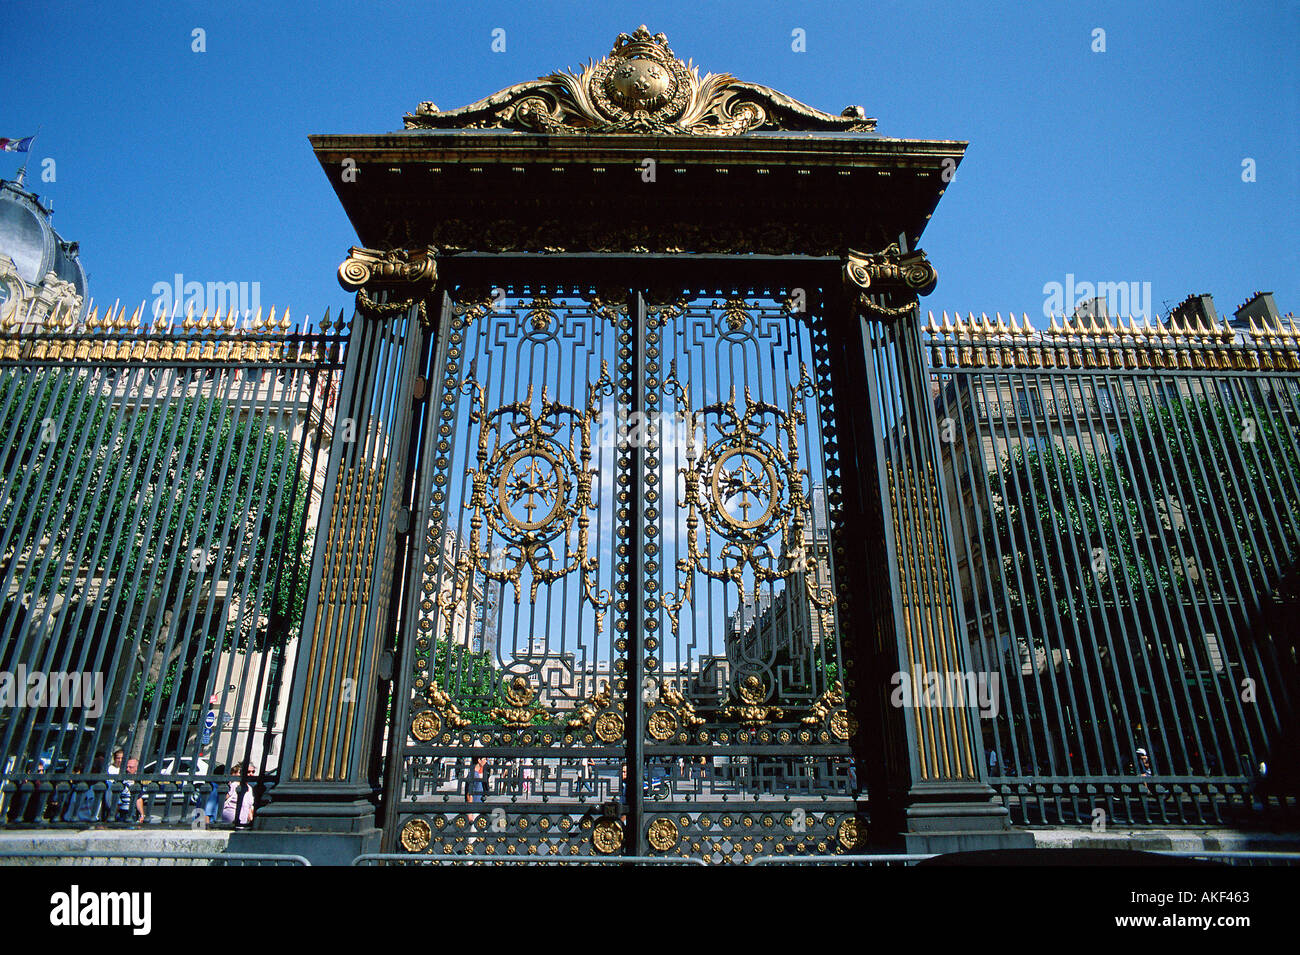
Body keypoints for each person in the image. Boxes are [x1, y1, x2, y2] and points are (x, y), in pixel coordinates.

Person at [116, 758, 145, 825]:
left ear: (136, 768)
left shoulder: (137, 782)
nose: (127, 769)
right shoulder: (121, 780)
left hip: (132, 811)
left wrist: (142, 815)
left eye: (130, 767)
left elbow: (138, 799)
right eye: (127, 767)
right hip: (121, 811)